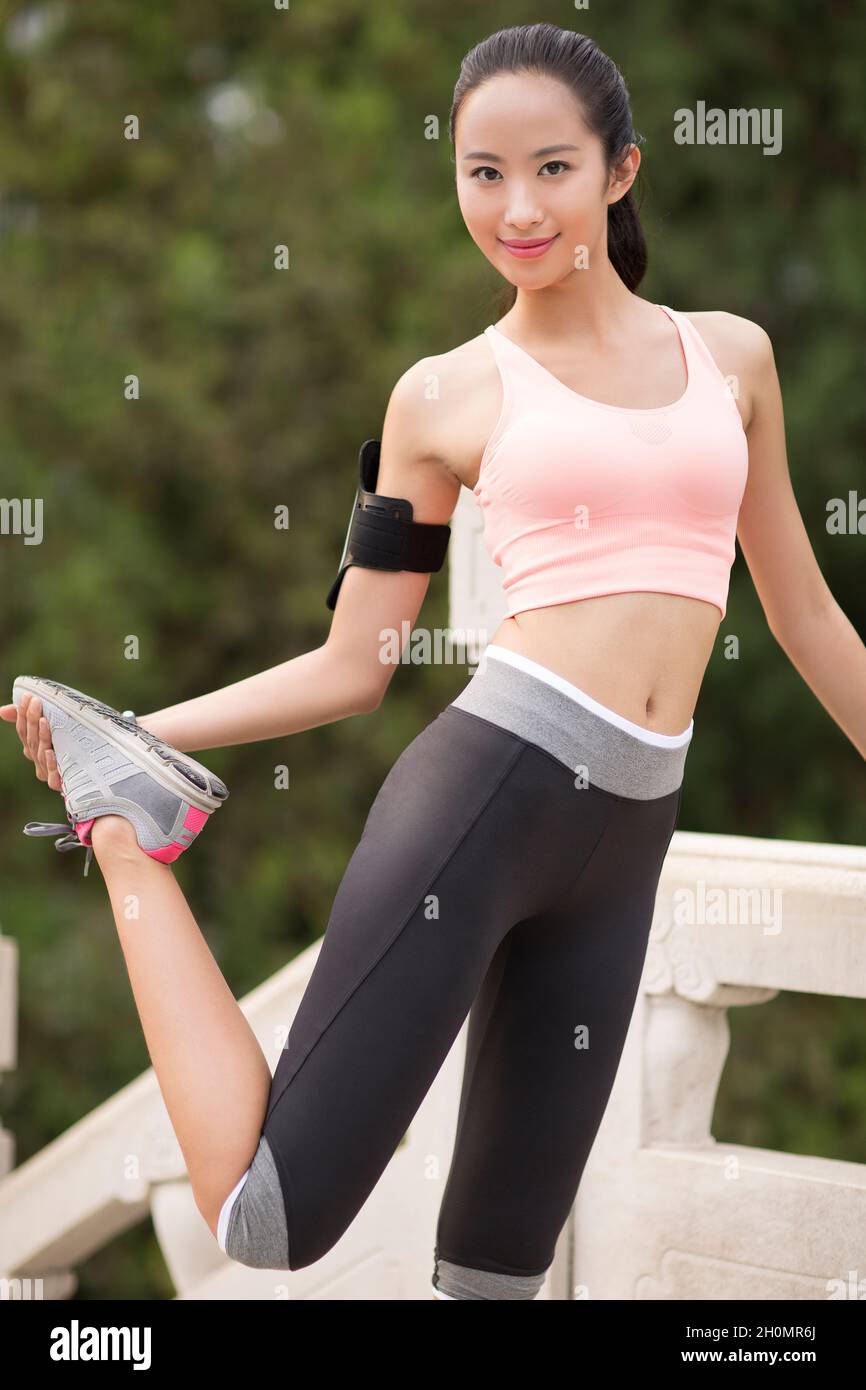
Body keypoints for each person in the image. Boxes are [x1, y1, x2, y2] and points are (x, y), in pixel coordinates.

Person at [4, 23, 865, 1301]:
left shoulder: (728, 361)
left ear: (619, 172)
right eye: (481, 172)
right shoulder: (443, 396)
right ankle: (127, 834)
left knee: (494, 1279)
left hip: (628, 840)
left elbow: (805, 616)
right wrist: (135, 731)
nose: (515, 208)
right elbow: (357, 663)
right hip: (486, 797)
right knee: (264, 1217)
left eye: (552, 169)